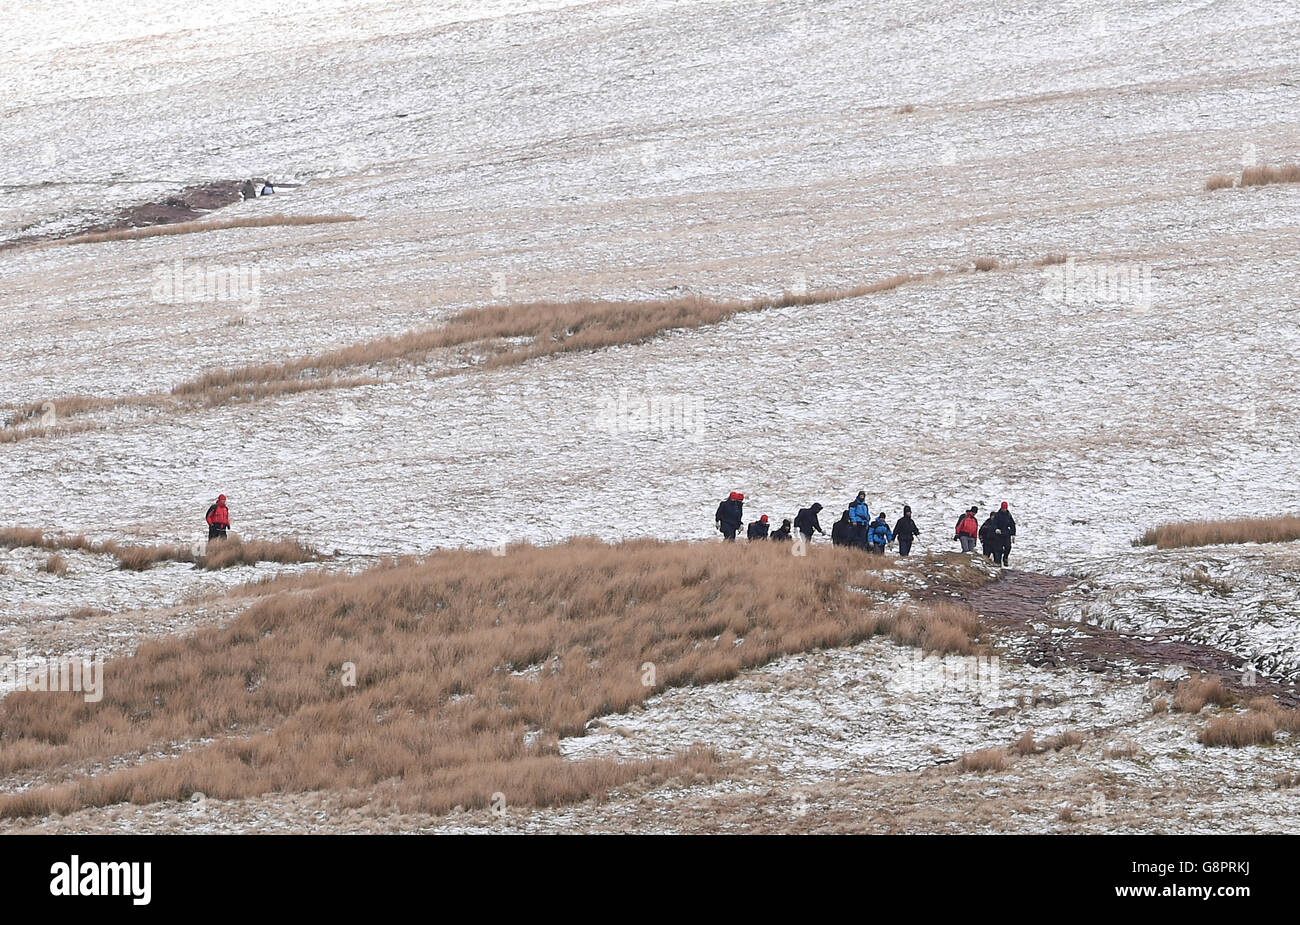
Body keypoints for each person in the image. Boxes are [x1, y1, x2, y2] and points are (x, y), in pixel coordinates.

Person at [991, 501, 1017, 566]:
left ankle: (1005, 558)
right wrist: (996, 529)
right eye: (1003, 508)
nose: (1004, 509)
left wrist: (1013, 534)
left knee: (1008, 547)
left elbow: (1012, 524)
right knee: (998, 549)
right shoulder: (997, 515)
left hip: (1007, 534)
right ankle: (998, 563)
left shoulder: (1009, 515)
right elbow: (994, 523)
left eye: (1005, 508)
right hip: (999, 535)